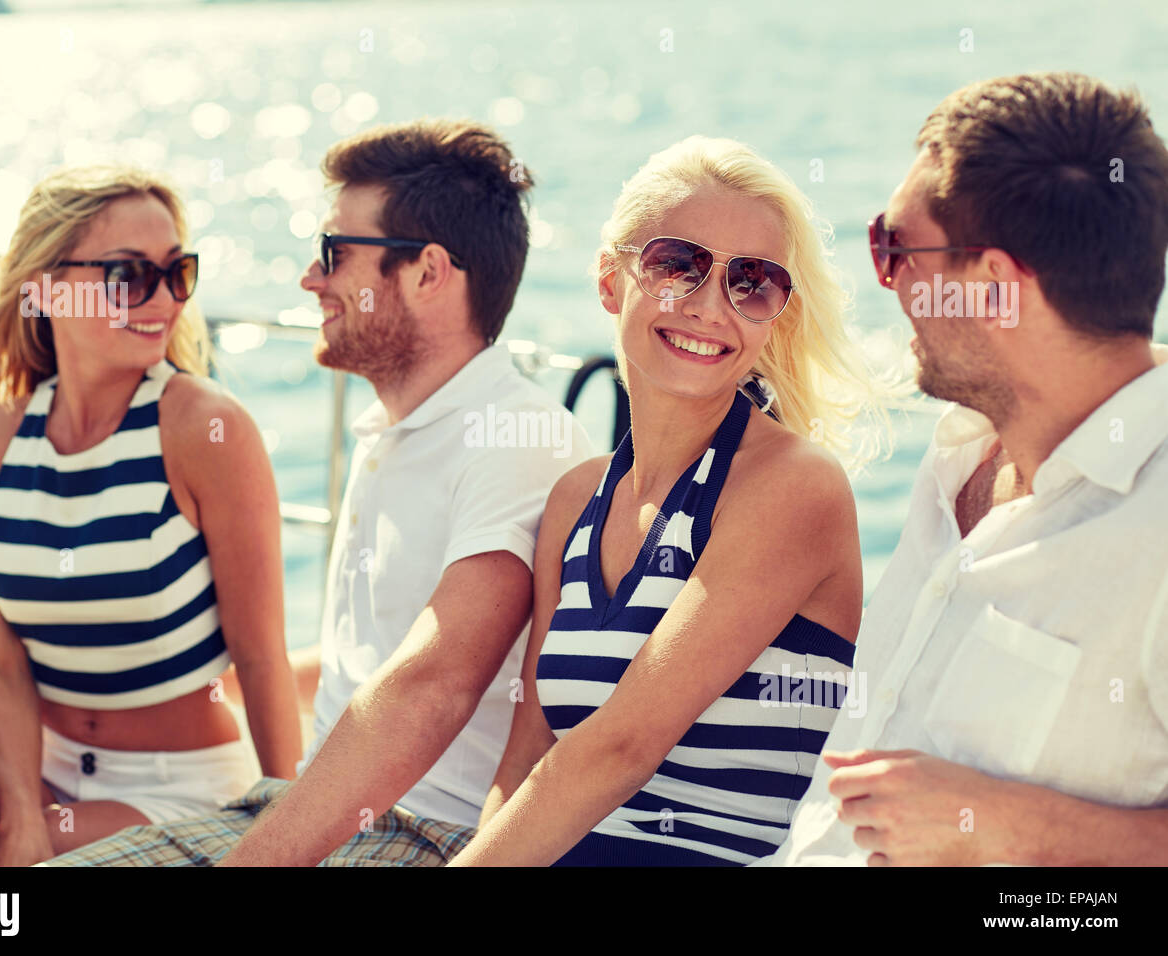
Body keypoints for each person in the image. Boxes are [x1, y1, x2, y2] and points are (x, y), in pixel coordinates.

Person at [42, 118, 596, 867]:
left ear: (428, 273)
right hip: (312, 806)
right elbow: (366, 666)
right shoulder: (396, 434)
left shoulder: (521, 441)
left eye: (334, 254)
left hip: (427, 834)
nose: (311, 279)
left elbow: (431, 687)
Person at [449, 135, 894, 866]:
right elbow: (529, 753)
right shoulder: (574, 501)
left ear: (773, 314)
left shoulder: (792, 488)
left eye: (750, 283)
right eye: (676, 265)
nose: (708, 307)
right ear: (609, 281)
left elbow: (621, 747)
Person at [759, 71, 1168, 866]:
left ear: (996, 290)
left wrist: (1008, 823)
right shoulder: (962, 450)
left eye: (897, 248)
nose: (888, 278)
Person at [0, 166, 304, 866]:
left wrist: (292, 830)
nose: (162, 299)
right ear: (44, 286)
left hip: (179, 787)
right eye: (128, 274)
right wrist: (23, 811)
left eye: (178, 273)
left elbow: (263, 658)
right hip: (33, 768)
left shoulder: (204, 430)